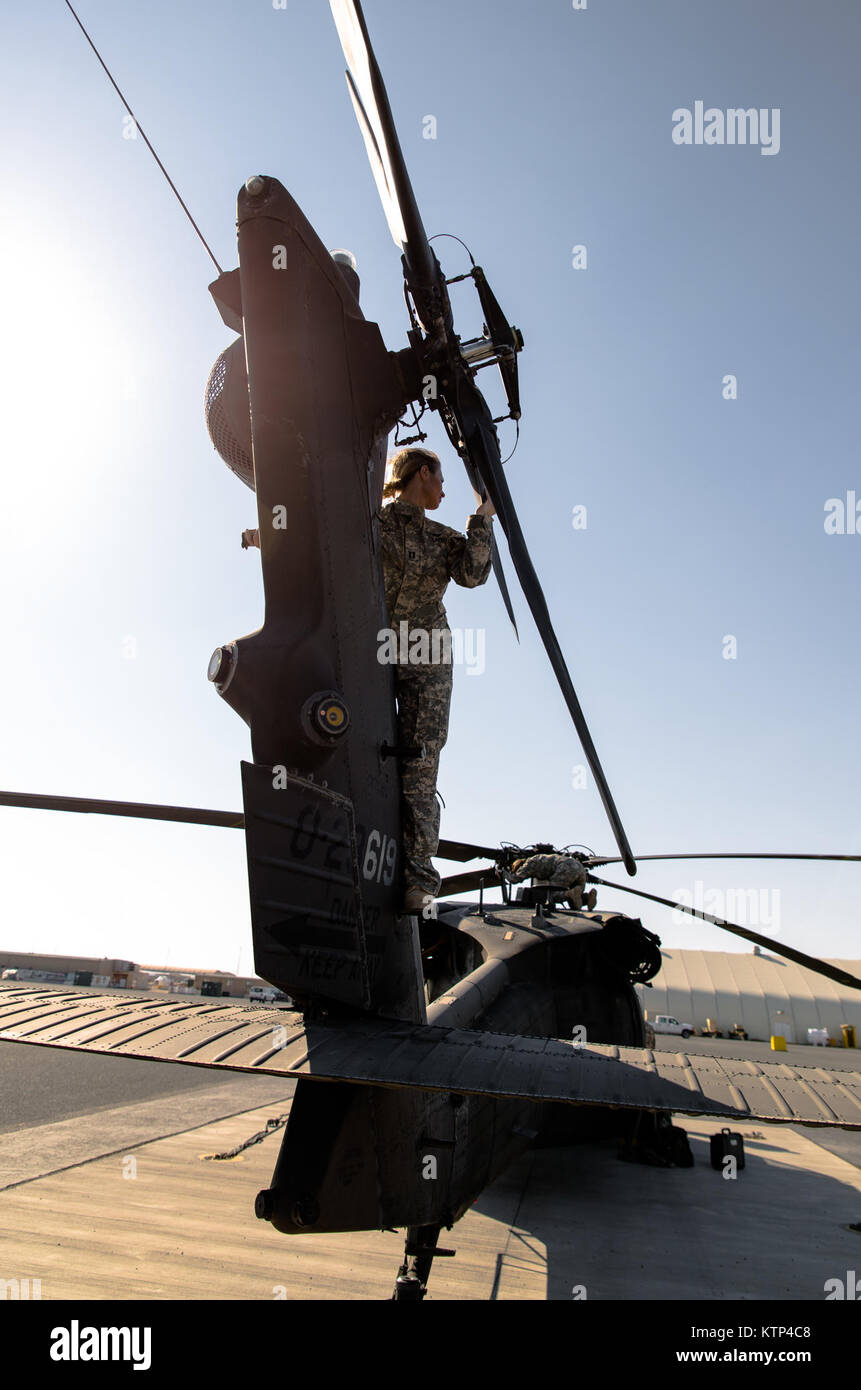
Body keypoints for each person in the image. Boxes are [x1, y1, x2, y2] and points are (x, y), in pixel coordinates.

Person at [378, 447, 495, 914]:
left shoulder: (443, 537)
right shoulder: (375, 522)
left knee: (420, 767)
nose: (444, 490)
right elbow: (324, 538)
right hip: (379, 650)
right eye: (440, 479)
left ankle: (418, 881)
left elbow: (474, 573)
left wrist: (481, 519)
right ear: (422, 473)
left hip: (427, 660)